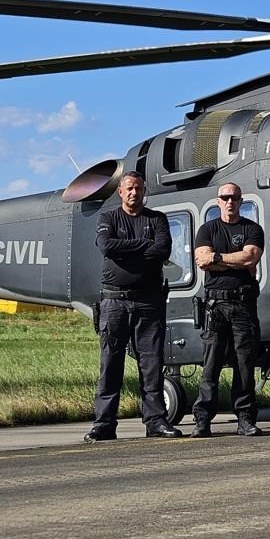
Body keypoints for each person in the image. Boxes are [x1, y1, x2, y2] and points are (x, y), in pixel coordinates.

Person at [86, 171, 182, 442]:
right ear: (120, 192)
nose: (133, 193)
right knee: (110, 364)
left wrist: (125, 251)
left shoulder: (157, 219)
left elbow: (162, 250)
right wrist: (143, 246)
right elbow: (107, 247)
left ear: (143, 191)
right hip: (114, 301)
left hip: (149, 301)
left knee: (152, 364)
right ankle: (104, 423)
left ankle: (155, 421)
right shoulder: (108, 218)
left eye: (138, 188)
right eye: (129, 188)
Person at [190, 183, 267, 438]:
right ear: (218, 201)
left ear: (241, 200)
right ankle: (202, 421)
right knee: (210, 365)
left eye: (234, 197)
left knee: (244, 364)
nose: (230, 201)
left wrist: (217, 258)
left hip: (243, 305)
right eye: (225, 197)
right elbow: (202, 260)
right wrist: (229, 259)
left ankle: (245, 419)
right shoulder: (207, 229)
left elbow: (250, 258)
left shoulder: (252, 229)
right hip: (215, 306)